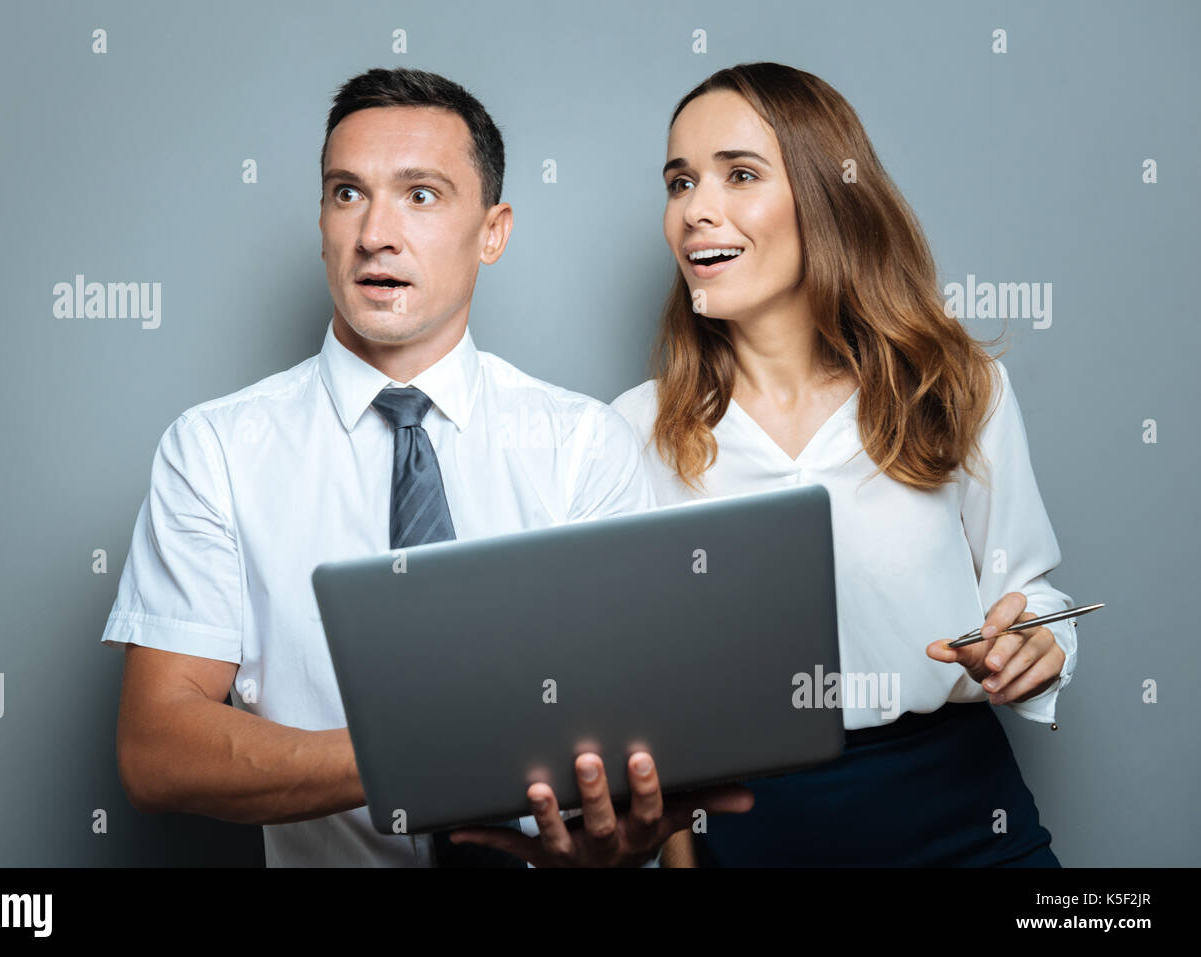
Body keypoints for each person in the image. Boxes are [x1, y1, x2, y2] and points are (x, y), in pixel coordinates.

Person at [102, 67, 751, 868]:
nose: (376, 232)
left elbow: (628, 733)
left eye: (421, 195)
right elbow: (156, 750)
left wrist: (614, 844)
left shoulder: (583, 444)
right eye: (347, 194)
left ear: (493, 230)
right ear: (321, 220)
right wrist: (428, 753)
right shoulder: (215, 450)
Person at [610, 62, 1076, 867]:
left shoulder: (955, 387)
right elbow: (641, 687)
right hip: (748, 822)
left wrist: (1038, 642)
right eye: (679, 182)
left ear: (826, 196)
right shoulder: (632, 430)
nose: (696, 210)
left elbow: (1029, 590)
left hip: (960, 812)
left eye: (740, 175)